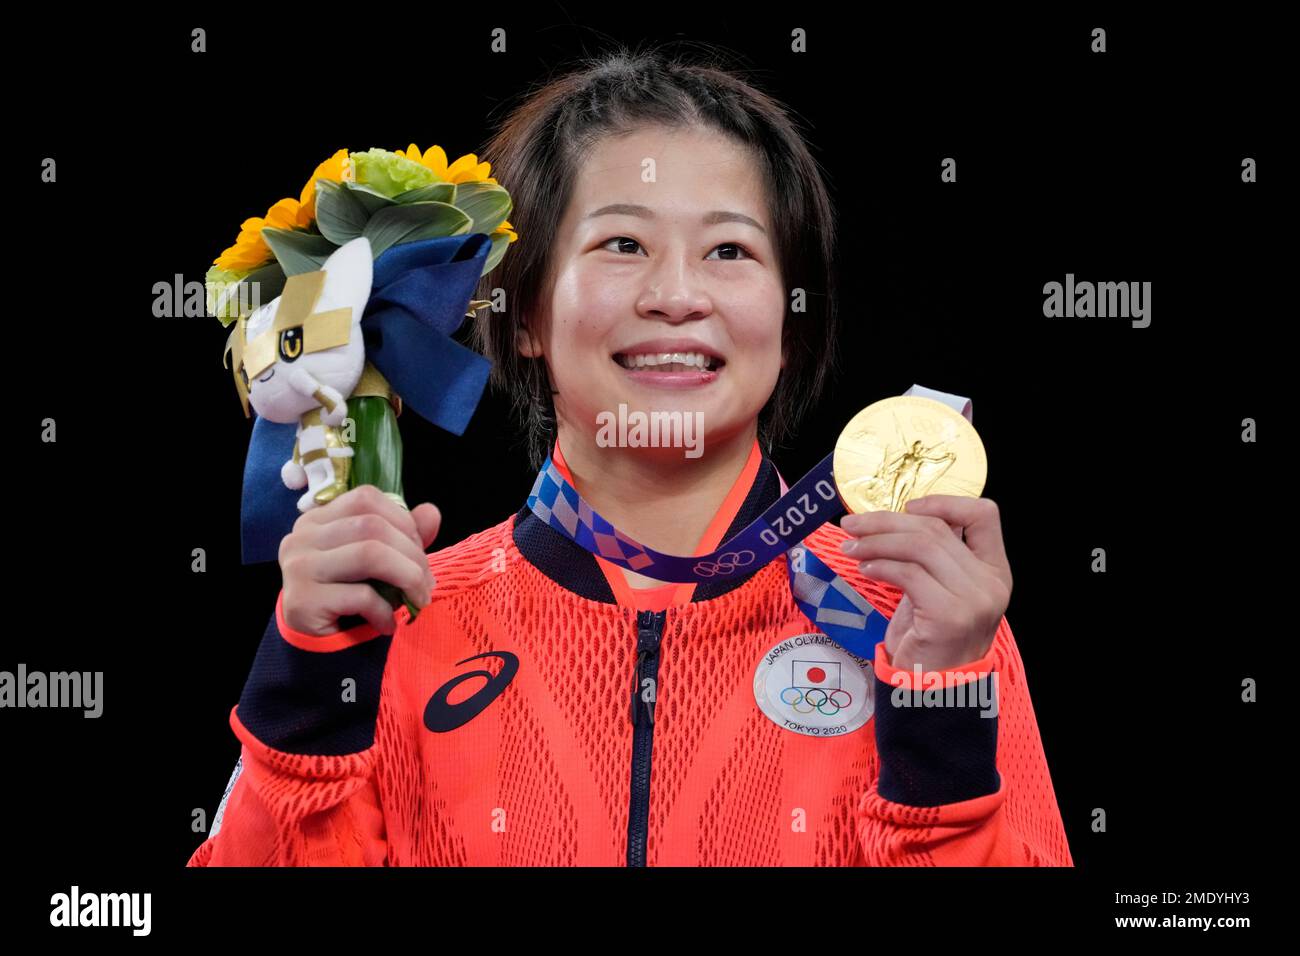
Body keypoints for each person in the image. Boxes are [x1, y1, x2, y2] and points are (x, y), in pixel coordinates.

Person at [187, 45, 1073, 867]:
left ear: (790, 323)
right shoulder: (394, 621)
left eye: (730, 250)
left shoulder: (923, 620)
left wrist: (940, 704)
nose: (677, 296)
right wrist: (307, 691)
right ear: (526, 314)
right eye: (622, 244)